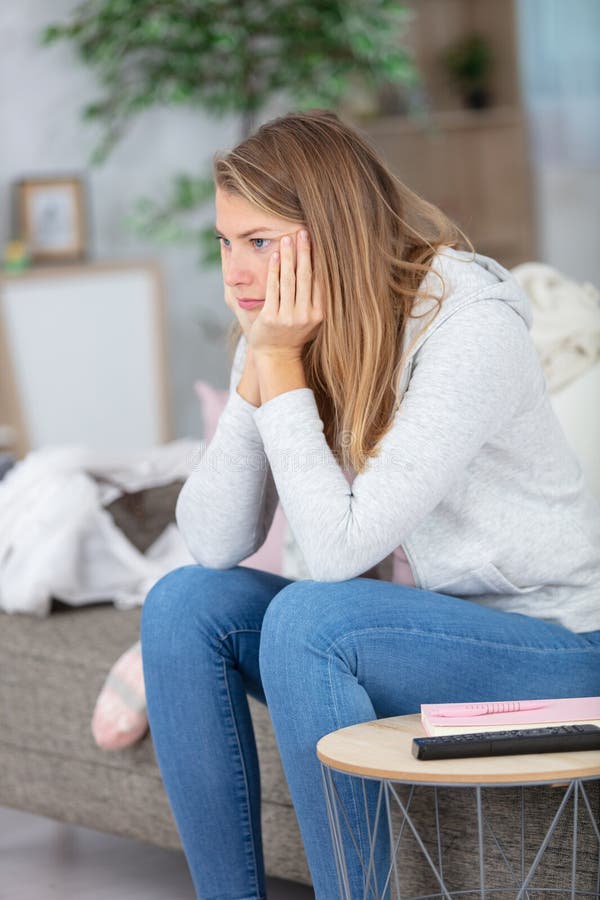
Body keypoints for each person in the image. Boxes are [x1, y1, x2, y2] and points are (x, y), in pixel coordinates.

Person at [140, 109, 600, 900]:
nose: (235, 275)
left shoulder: (470, 328)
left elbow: (341, 550)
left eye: (259, 243)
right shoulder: (290, 329)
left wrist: (276, 364)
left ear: (333, 233)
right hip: (418, 642)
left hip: (559, 648)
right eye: (224, 242)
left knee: (311, 620)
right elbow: (213, 543)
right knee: (183, 603)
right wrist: (266, 360)